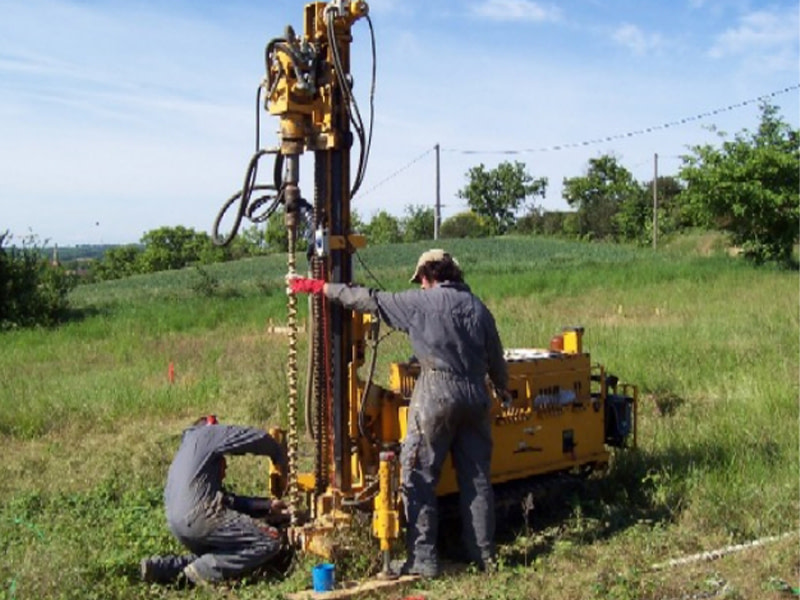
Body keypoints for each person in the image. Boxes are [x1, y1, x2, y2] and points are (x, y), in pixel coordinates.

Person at [289, 249, 509, 578]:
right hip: (477, 395)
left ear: (426, 275)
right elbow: (497, 359)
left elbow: (370, 300)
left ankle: (423, 557)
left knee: (418, 476)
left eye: (420, 280)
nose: (420, 285)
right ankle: (484, 556)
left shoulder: (421, 303)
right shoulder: (478, 307)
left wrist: (320, 287)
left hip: (437, 392)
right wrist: (502, 390)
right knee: (477, 481)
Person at [140, 415, 289, 586]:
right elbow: (251, 438)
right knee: (269, 540)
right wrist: (277, 451)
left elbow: (223, 500)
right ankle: (193, 575)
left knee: (224, 551)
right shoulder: (206, 435)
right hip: (199, 517)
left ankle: (163, 568)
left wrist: (266, 505)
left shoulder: (186, 451)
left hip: (177, 525)